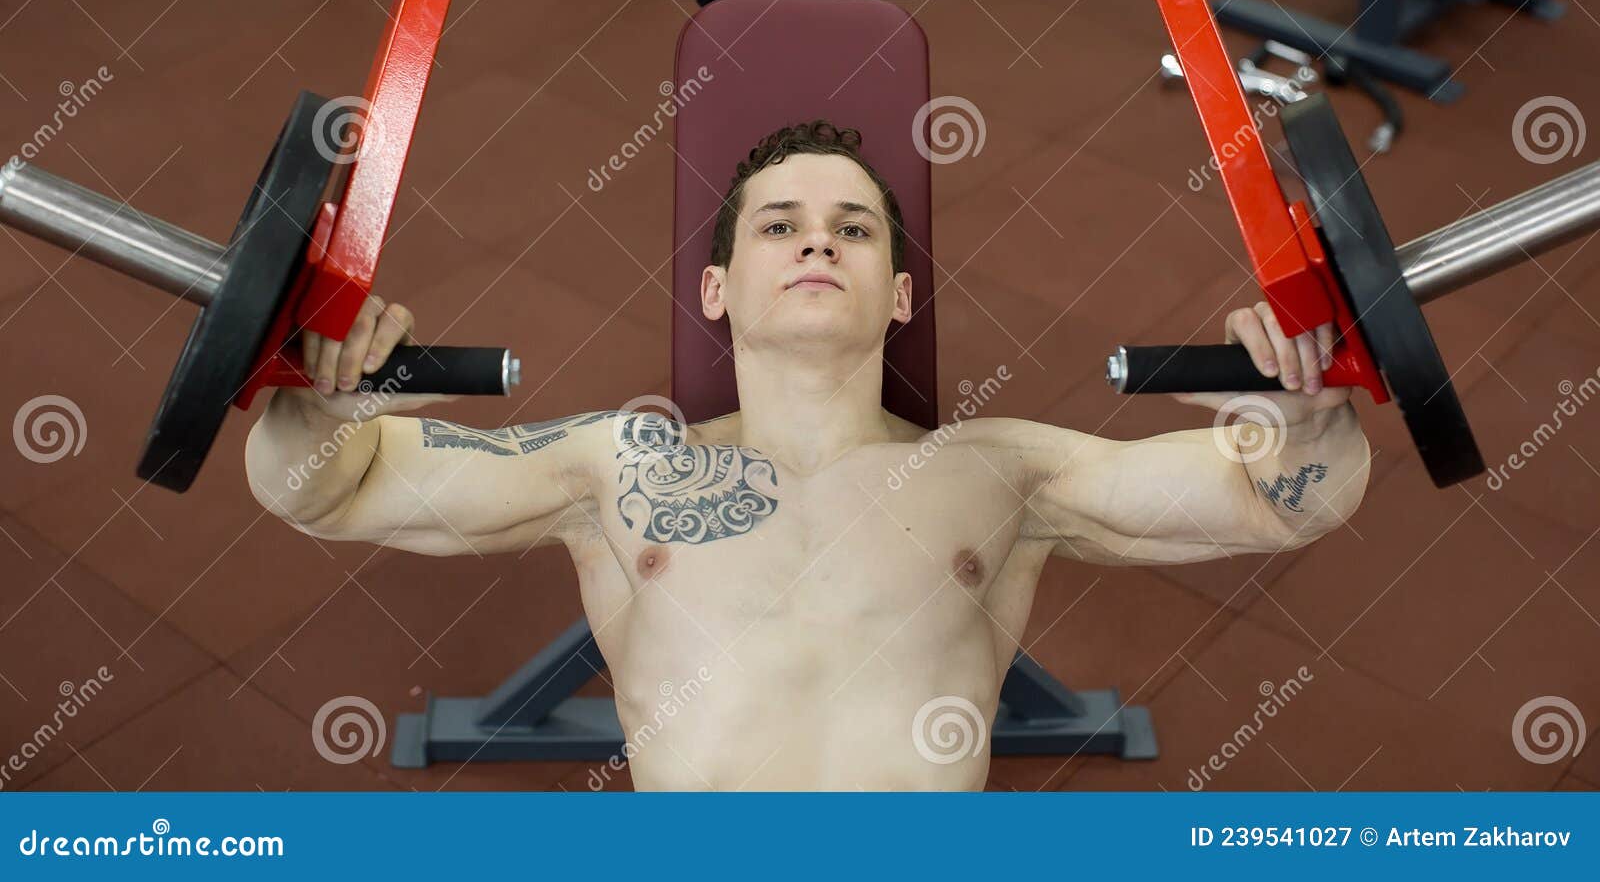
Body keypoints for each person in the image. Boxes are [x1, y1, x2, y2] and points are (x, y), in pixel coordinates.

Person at [245, 120, 1370, 790]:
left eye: (854, 226)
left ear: (900, 293)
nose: (819, 238)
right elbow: (324, 492)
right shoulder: (617, 468)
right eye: (778, 223)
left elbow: (1278, 502)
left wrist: (1309, 416)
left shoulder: (998, 469)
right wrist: (322, 399)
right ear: (717, 289)